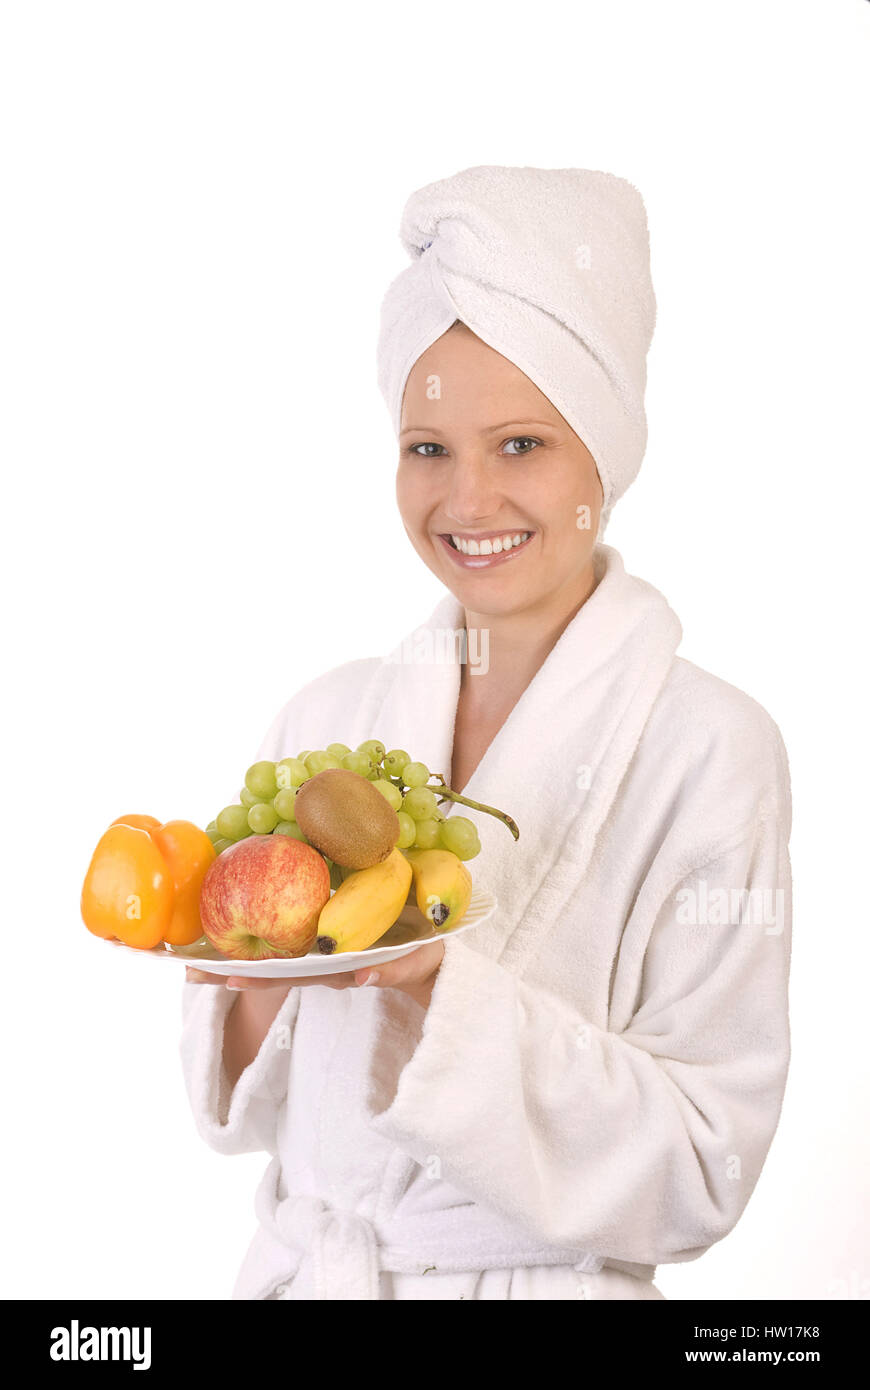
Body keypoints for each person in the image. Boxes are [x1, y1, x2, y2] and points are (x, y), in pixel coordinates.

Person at [180, 166, 792, 1301]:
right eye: (428, 447)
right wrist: (258, 959)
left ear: (602, 456)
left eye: (521, 445)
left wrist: (435, 992)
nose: (468, 501)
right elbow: (241, 1111)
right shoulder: (326, 723)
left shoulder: (712, 747)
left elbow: (706, 1162)